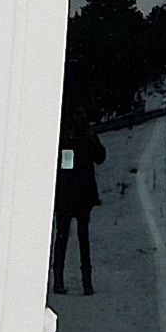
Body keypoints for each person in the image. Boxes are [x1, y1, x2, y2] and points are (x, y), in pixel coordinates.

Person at [51, 121, 106, 295]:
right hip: (69, 196)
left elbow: (100, 157)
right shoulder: (67, 136)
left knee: (79, 239)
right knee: (64, 238)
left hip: (80, 196)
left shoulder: (86, 135)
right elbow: (65, 166)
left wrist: (91, 141)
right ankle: (61, 280)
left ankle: (85, 282)